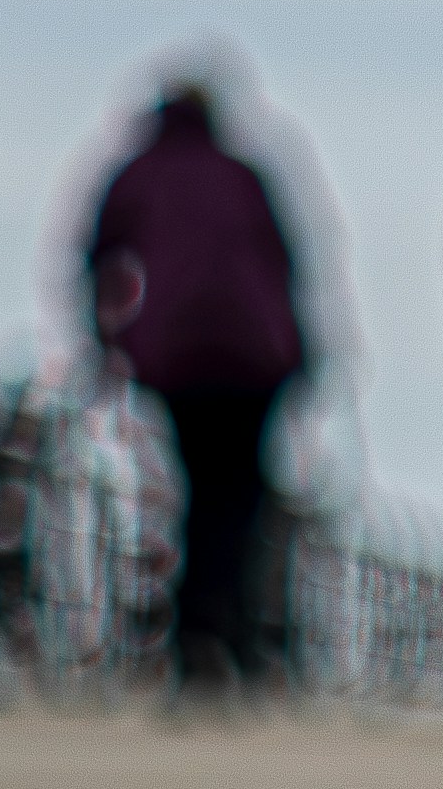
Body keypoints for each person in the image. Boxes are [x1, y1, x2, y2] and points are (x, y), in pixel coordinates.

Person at [78, 71, 311, 705]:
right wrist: (307, 356)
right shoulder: (243, 175)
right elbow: (290, 267)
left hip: (178, 360)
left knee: (199, 494)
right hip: (257, 362)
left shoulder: (139, 173)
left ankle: (201, 637)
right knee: (240, 499)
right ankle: (228, 635)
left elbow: (93, 255)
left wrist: (106, 343)